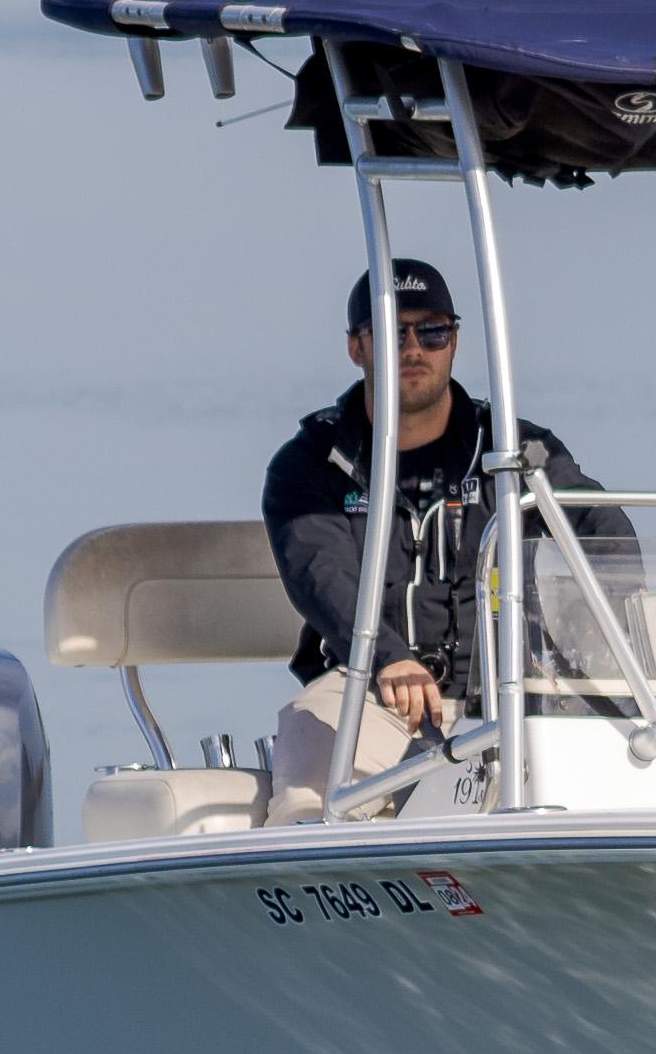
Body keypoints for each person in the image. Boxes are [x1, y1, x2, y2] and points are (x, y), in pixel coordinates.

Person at [263, 257, 631, 802]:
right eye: (392, 332)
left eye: (431, 331)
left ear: (453, 341)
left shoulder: (515, 449)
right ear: (357, 348)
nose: (413, 349)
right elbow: (322, 578)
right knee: (312, 801)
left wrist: (610, 615)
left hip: (507, 693)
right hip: (367, 689)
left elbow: (602, 529)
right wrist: (389, 659)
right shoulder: (312, 463)